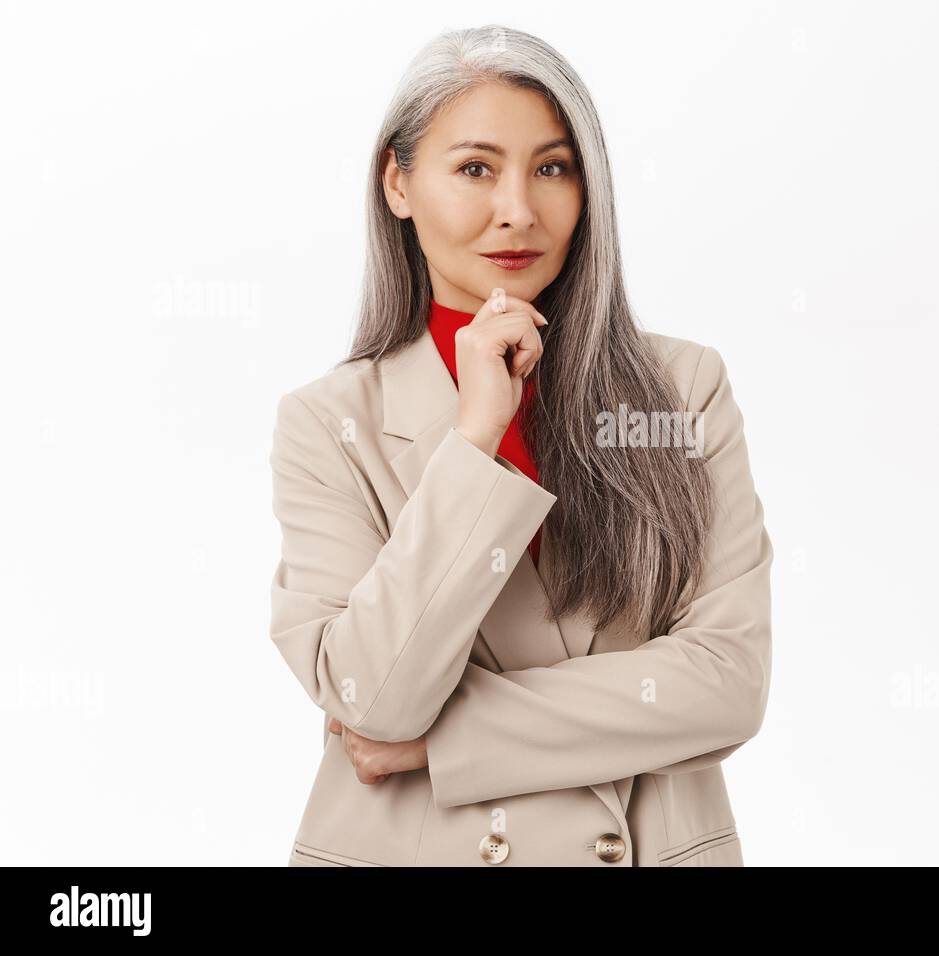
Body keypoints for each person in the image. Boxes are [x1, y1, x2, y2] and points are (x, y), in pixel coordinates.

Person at [269, 24, 772, 866]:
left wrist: (446, 744)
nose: (519, 210)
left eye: (553, 168)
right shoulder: (328, 422)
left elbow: (726, 685)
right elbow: (377, 700)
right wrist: (475, 437)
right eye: (475, 169)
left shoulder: (682, 391)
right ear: (398, 182)